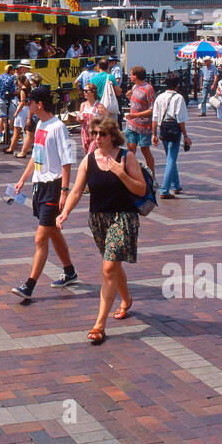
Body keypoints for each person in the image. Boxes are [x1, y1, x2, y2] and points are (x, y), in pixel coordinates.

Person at [57, 115, 148, 344]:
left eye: (102, 134)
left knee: (108, 267)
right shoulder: (89, 160)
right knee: (112, 264)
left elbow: (141, 189)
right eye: (94, 133)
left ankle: (99, 324)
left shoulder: (126, 157)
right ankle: (126, 299)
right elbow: (77, 191)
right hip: (98, 219)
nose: (97, 138)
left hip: (123, 217)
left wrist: (121, 173)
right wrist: (65, 212)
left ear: (112, 135)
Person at [10, 85, 78, 301]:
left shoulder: (58, 127)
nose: (27, 105)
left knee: (41, 238)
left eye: (29, 102)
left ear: (39, 104)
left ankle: (29, 285)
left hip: (54, 186)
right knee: (53, 232)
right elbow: (35, 157)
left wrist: (65, 192)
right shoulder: (40, 124)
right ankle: (70, 272)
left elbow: (67, 161)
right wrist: (22, 180)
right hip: (39, 186)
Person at [151, 72, 191, 198]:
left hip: (163, 128)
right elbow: (180, 119)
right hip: (174, 130)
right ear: (177, 85)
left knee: (170, 157)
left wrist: (154, 134)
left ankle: (176, 185)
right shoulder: (178, 98)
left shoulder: (159, 97)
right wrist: (185, 135)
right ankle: (165, 190)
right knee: (171, 159)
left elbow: (155, 117)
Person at [123, 66, 156, 175]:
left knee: (145, 150)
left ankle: (152, 176)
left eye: (131, 74)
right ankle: (130, 174)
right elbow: (137, 103)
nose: (130, 76)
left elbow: (152, 109)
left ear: (136, 76)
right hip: (131, 125)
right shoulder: (134, 87)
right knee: (130, 150)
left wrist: (135, 115)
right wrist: (129, 97)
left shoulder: (148, 88)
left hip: (144, 126)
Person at [0, 63, 18, 147]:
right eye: (13, 70)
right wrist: (20, 91)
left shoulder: (0, 76)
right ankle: (8, 133)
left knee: (1, 116)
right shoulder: (11, 79)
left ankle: (0, 134)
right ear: (11, 70)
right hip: (6, 99)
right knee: (11, 116)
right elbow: (12, 91)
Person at [78, 83, 102, 154]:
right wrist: (79, 119)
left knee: (90, 154)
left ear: (93, 92)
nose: (84, 92)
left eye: (86, 91)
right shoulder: (83, 105)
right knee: (87, 154)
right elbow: (79, 118)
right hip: (85, 133)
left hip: (95, 134)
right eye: (83, 90)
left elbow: (107, 120)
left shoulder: (99, 106)